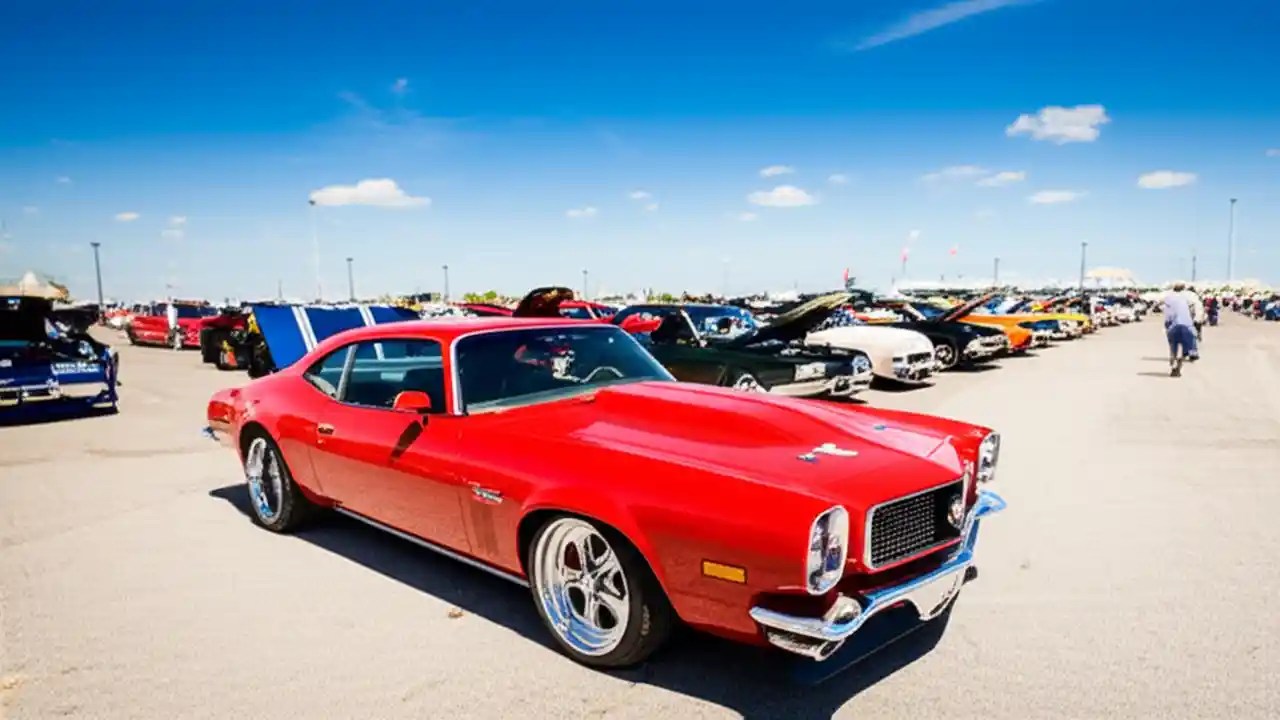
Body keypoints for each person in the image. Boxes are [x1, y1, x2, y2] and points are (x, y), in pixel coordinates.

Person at [1162, 283, 1197, 377]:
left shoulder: (1168, 298)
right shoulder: (1188, 297)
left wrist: (1167, 324)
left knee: (1173, 346)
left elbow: (1167, 314)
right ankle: (1180, 365)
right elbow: (1194, 310)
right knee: (1187, 345)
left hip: (1173, 325)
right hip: (1186, 324)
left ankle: (1173, 366)